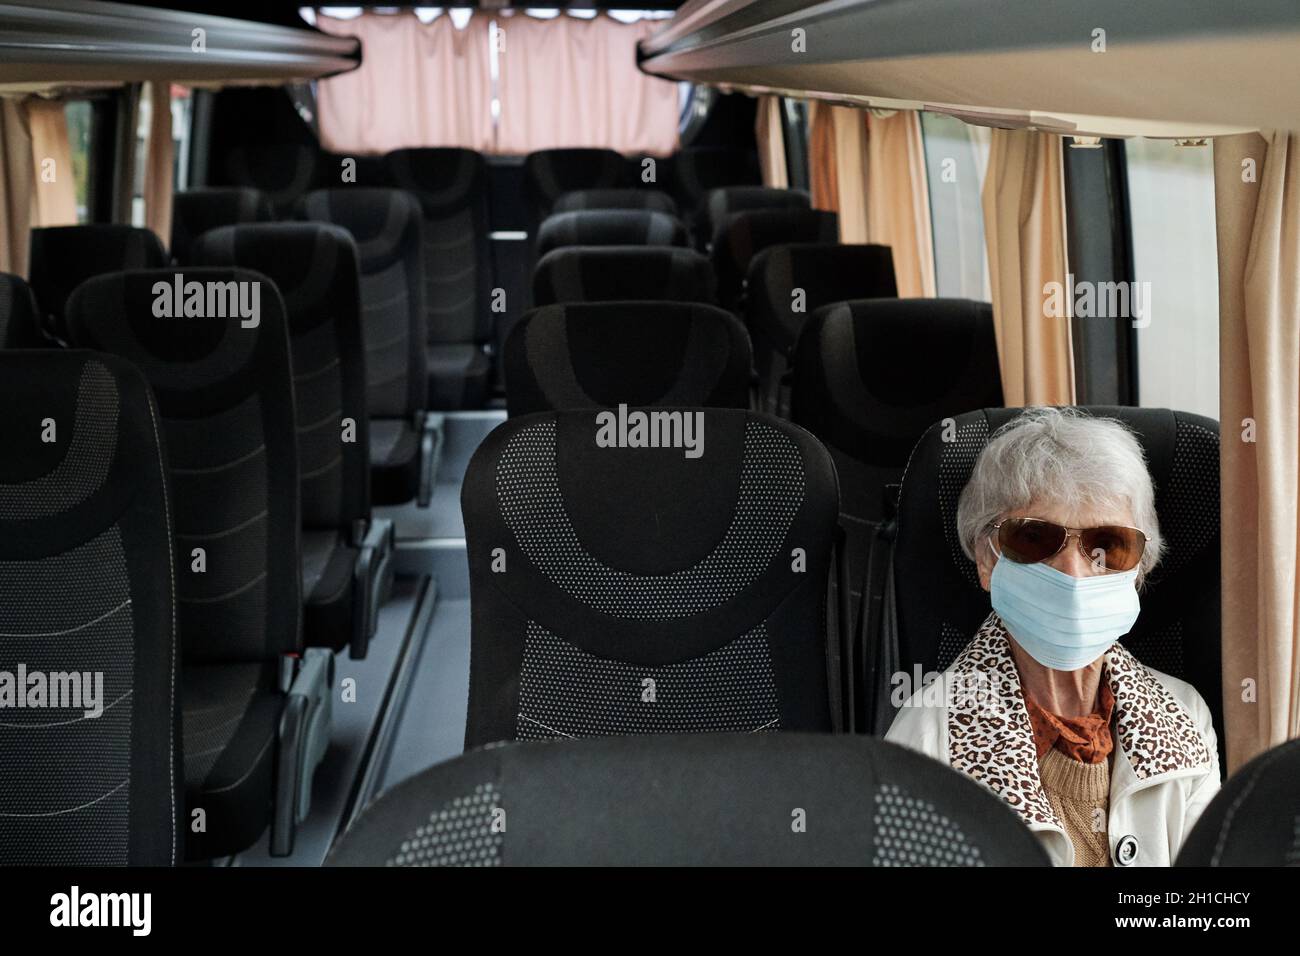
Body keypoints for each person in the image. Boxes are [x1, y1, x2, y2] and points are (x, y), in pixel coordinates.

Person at [885, 407, 1220, 866]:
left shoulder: (1186, 717)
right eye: (1035, 540)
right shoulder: (928, 736)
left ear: (1139, 569)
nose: (1075, 573)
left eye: (1108, 546)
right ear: (987, 560)